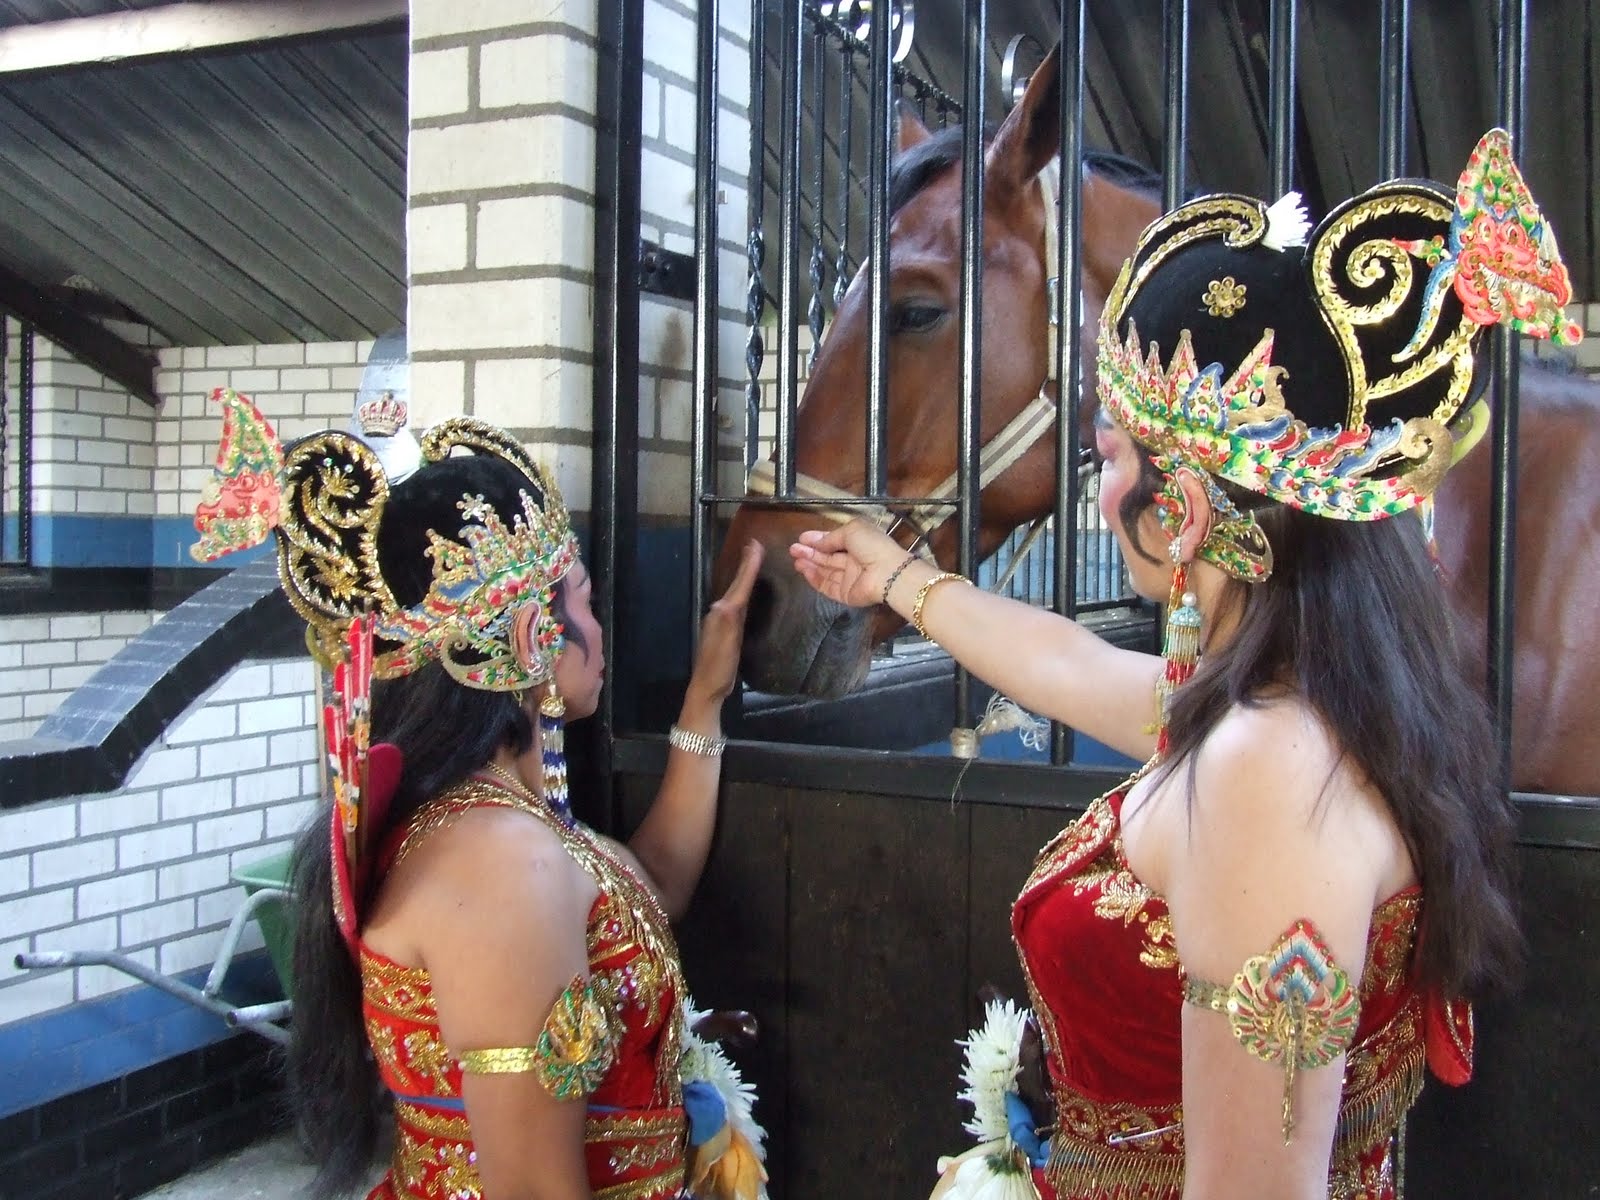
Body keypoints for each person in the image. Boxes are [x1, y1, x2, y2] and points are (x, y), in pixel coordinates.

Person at [790, 128, 1581, 1200]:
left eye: (1110, 457)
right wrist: (895, 580)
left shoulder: (1269, 769)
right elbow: (1068, 665)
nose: (1096, 486)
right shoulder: (1304, 705)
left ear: (1186, 505)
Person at [191, 400, 767, 1200]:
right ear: (535, 637)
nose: (601, 632)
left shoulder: (493, 831)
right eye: (587, 603)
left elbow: (653, 885)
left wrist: (703, 701)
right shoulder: (502, 865)